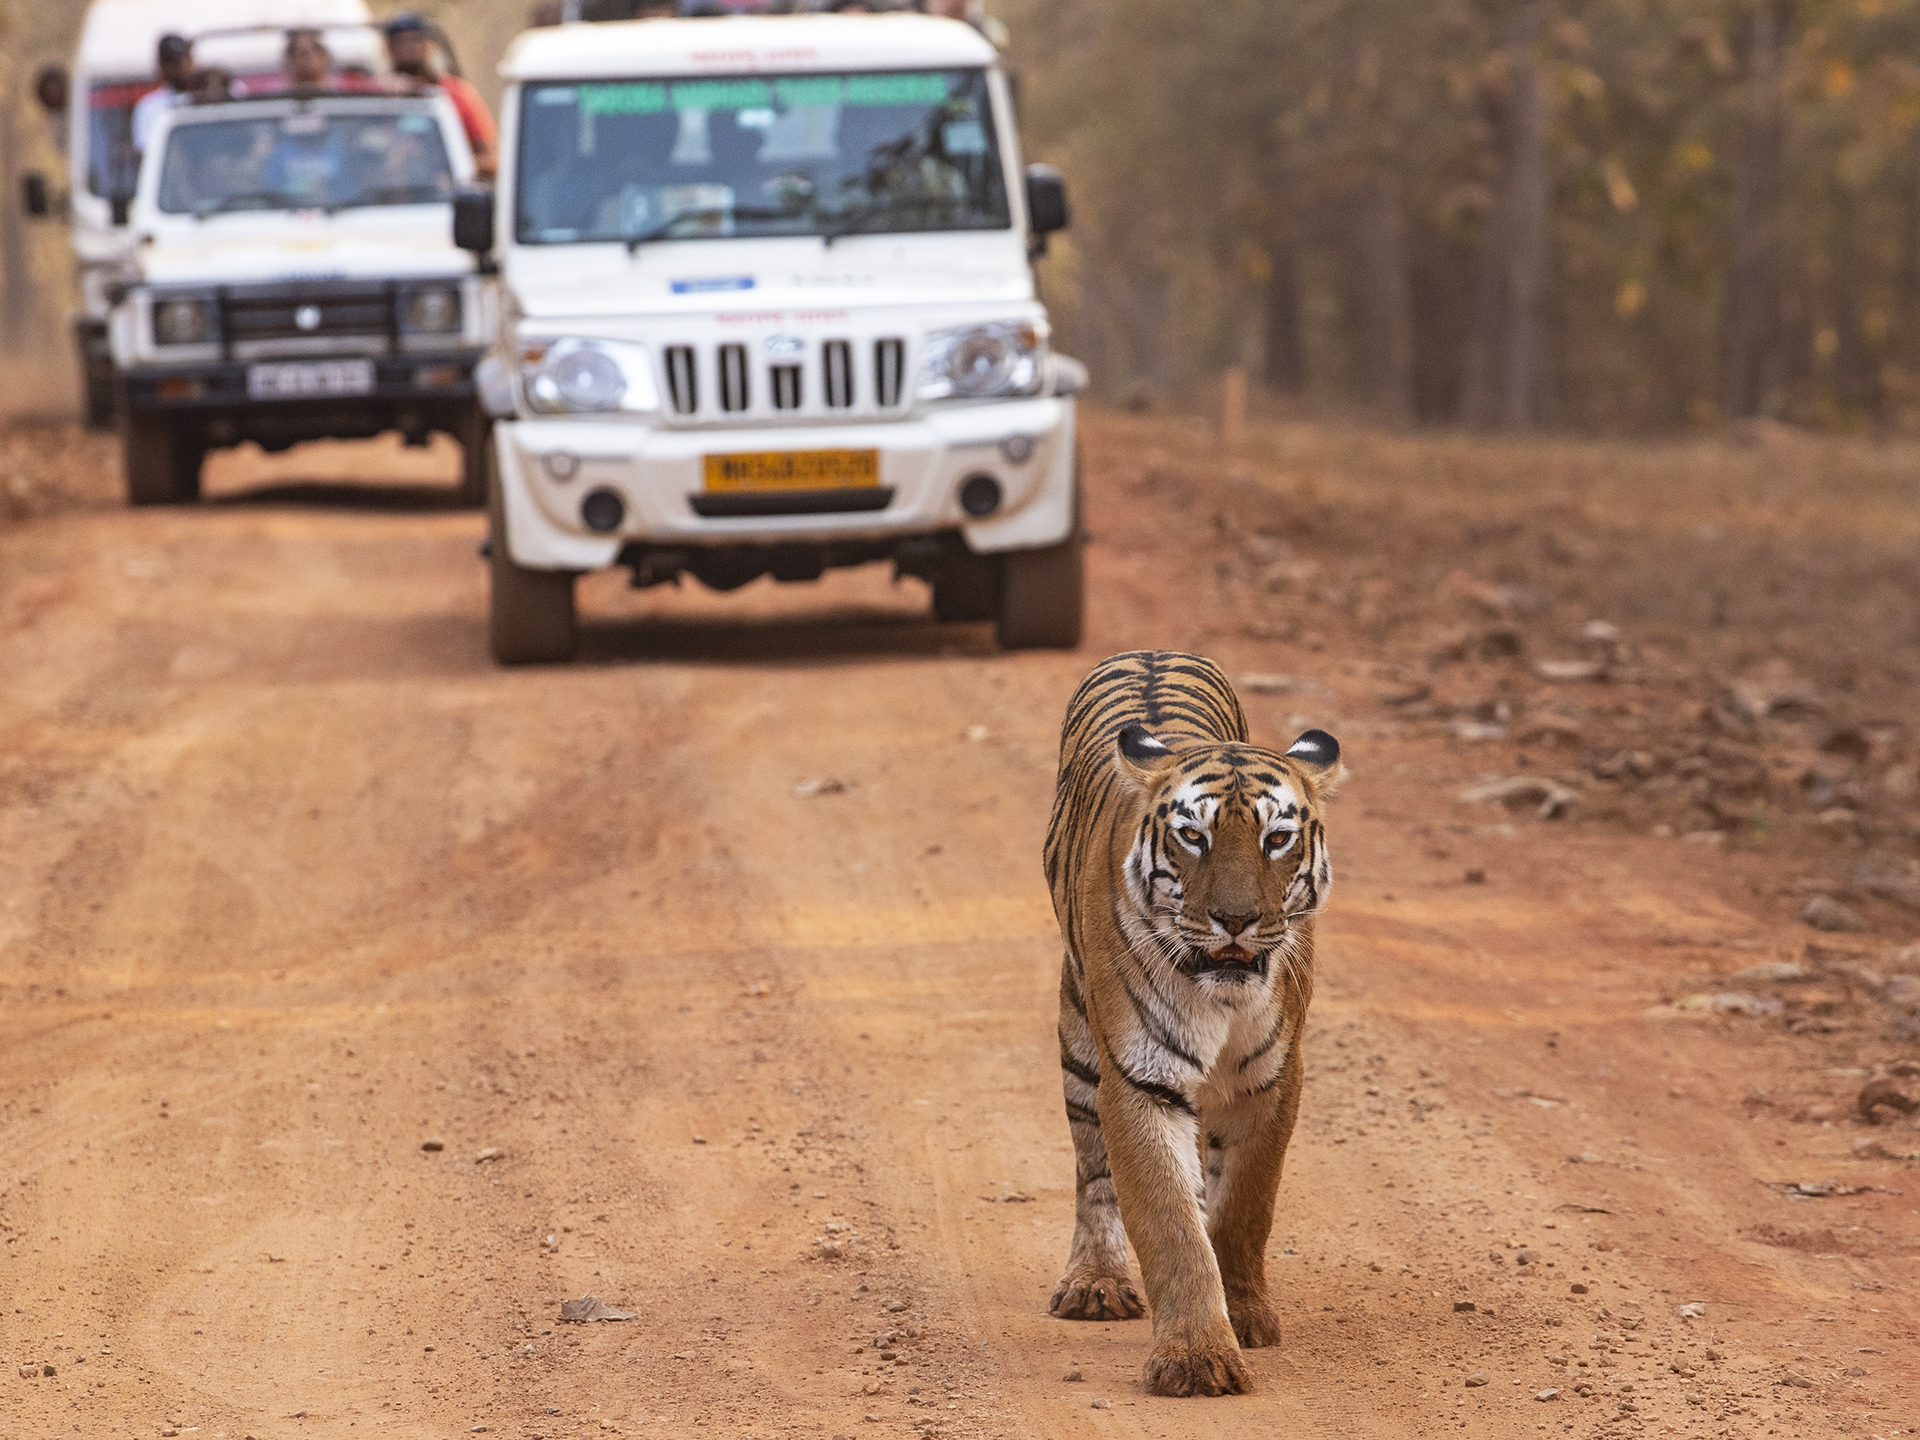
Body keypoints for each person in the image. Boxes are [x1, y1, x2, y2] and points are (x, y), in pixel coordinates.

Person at [382, 12, 497, 178]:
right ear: (388, 49)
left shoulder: (456, 94)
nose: (408, 48)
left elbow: (492, 160)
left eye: (415, 40)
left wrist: (447, 163)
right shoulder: (376, 99)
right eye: (400, 42)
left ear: (426, 45)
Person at [132, 35, 194, 157]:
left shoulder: (209, 97)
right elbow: (146, 153)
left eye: (182, 59)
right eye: (170, 61)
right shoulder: (149, 107)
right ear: (161, 64)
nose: (178, 66)